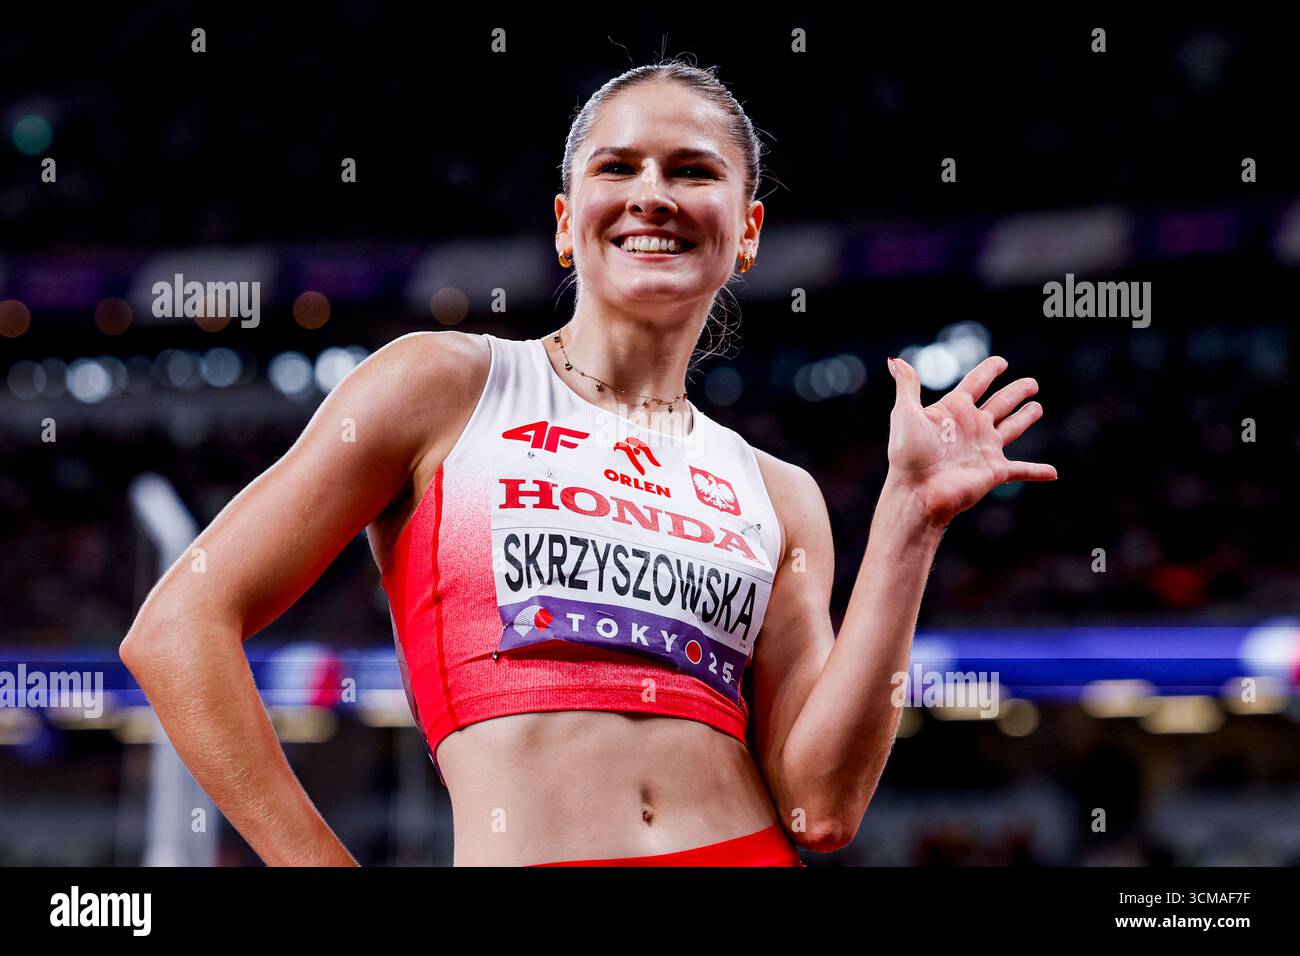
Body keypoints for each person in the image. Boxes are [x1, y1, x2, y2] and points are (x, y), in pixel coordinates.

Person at [119, 58, 1055, 867]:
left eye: (693, 171)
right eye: (620, 166)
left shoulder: (778, 493)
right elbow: (177, 628)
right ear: (568, 223)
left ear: (748, 231)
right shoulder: (441, 387)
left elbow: (822, 808)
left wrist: (910, 522)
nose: (653, 192)